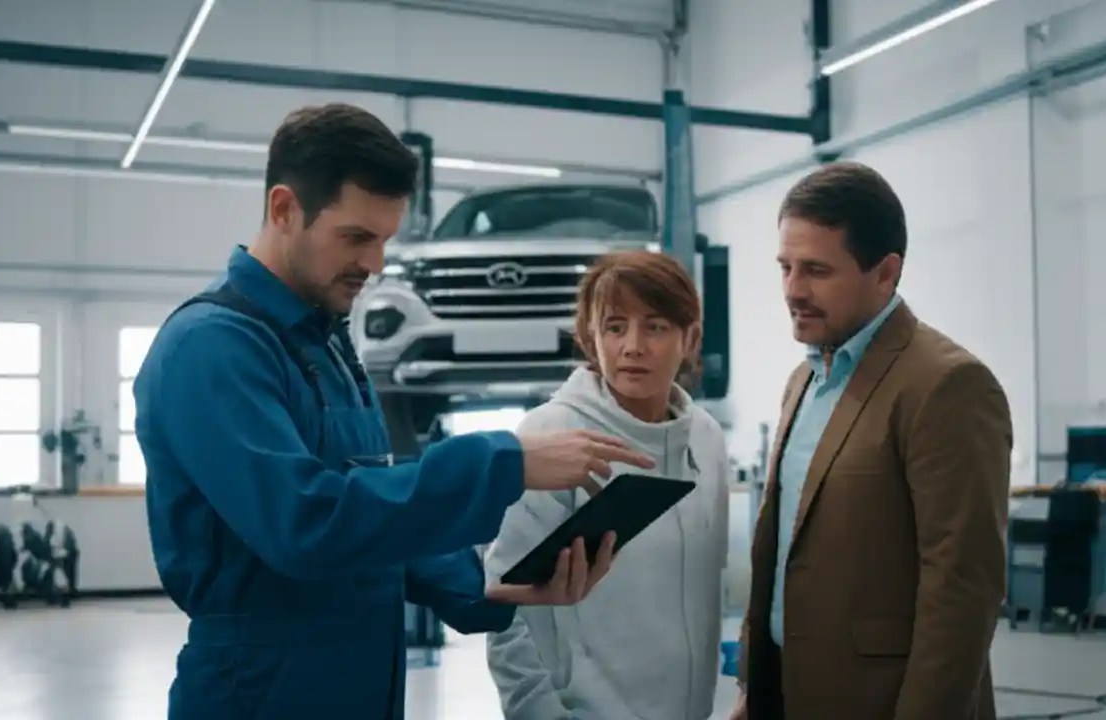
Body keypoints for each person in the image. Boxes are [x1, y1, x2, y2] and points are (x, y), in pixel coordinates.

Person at [132, 103, 656, 720]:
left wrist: (482, 585)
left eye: (384, 240)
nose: (375, 264)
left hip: (360, 682)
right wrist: (503, 461)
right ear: (283, 209)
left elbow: (371, 512)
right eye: (355, 237)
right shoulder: (212, 347)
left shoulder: (327, 341)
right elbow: (308, 524)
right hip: (259, 692)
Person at [731, 162, 1012, 720]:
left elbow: (962, 591)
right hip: (787, 695)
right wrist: (754, 686)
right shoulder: (804, 380)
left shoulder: (946, 385)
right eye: (785, 267)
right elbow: (785, 550)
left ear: (885, 273)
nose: (792, 290)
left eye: (815, 270)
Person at [484, 250, 730, 720]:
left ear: (690, 338)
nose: (633, 346)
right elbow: (506, 605)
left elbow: (708, 588)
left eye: (655, 326)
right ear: (590, 337)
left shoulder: (706, 438)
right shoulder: (548, 437)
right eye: (615, 327)